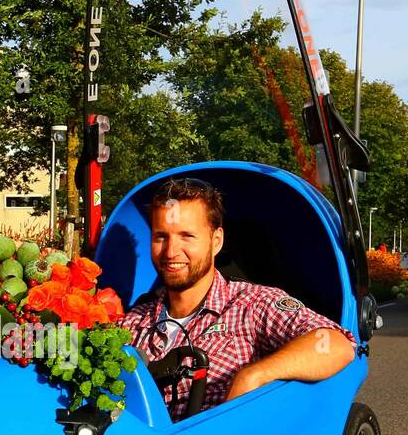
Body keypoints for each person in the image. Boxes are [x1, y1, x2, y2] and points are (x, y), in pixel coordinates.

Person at [118, 176, 356, 419]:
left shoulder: (251, 305)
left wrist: (254, 375)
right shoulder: (133, 321)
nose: (171, 251)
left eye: (186, 236)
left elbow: (337, 344)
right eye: (161, 237)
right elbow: (76, 360)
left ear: (216, 241)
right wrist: (75, 324)